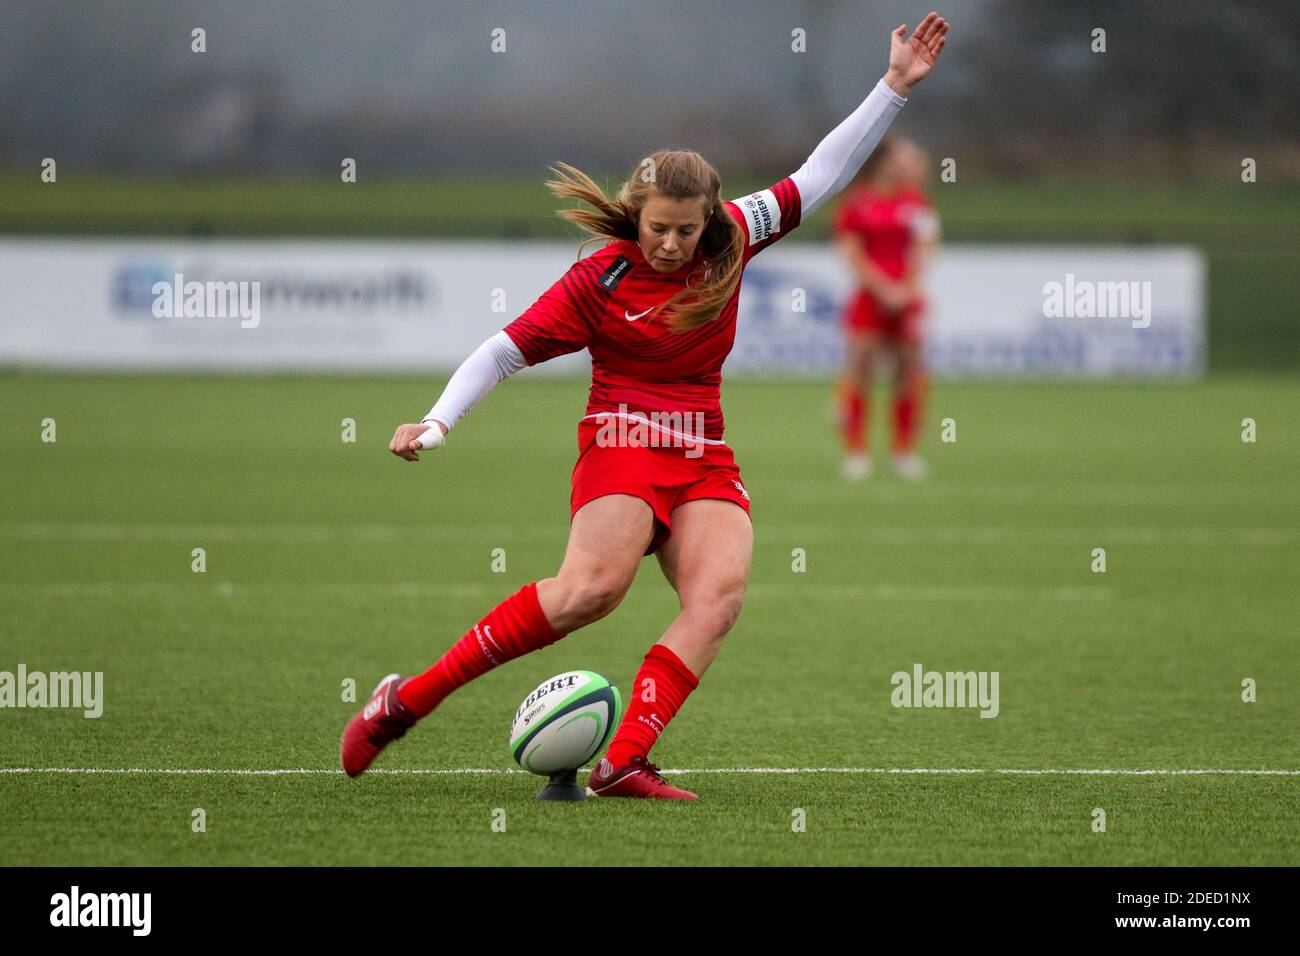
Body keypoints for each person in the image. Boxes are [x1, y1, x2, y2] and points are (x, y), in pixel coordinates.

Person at [341, 13, 950, 798]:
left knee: (718, 602)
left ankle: (623, 759)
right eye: (660, 228)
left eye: (685, 231)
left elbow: (822, 172)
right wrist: (437, 420)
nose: (672, 244)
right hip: (622, 438)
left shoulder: (733, 235)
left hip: (703, 450)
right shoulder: (600, 280)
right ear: (638, 214)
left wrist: (893, 87)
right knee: (590, 593)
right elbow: (501, 351)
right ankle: (405, 701)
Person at [832, 136, 940, 480]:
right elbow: (851, 253)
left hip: (906, 299)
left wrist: (906, 290)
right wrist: (882, 289)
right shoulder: (857, 203)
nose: (911, 163)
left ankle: (903, 451)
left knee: (909, 373)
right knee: (859, 370)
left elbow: (926, 250)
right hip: (870, 298)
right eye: (904, 157)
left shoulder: (917, 202)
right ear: (885, 161)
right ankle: (856, 451)